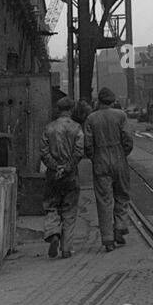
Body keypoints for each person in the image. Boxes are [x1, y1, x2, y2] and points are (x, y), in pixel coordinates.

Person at [84, 87, 133, 253]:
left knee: (104, 200)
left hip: (100, 160)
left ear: (99, 101)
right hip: (119, 158)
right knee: (122, 195)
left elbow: (88, 144)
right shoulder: (121, 115)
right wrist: (122, 152)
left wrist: (94, 157)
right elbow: (128, 139)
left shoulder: (91, 118)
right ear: (112, 101)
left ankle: (108, 239)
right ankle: (120, 226)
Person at [39, 97, 85, 260]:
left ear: (58, 110)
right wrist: (66, 167)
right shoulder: (76, 128)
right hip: (70, 174)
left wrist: (55, 166)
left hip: (52, 175)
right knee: (69, 211)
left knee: (51, 206)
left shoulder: (49, 128)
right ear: (71, 109)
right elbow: (79, 152)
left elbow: (43, 152)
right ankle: (66, 249)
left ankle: (53, 234)